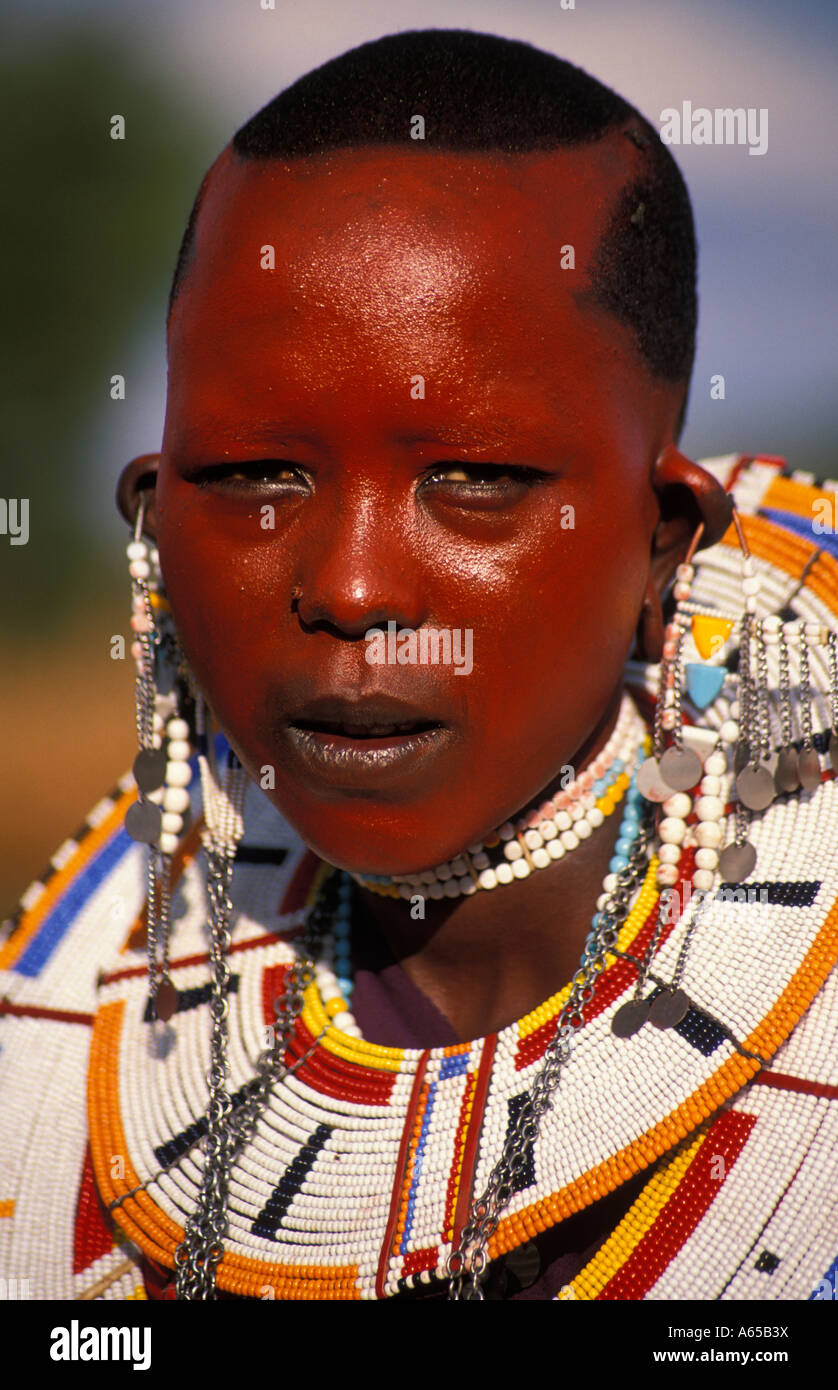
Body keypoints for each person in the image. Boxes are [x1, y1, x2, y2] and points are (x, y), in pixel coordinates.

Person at [2, 29, 837, 1303]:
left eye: (478, 481)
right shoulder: (59, 1068)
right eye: (254, 477)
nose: (349, 590)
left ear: (658, 536)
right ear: (154, 517)